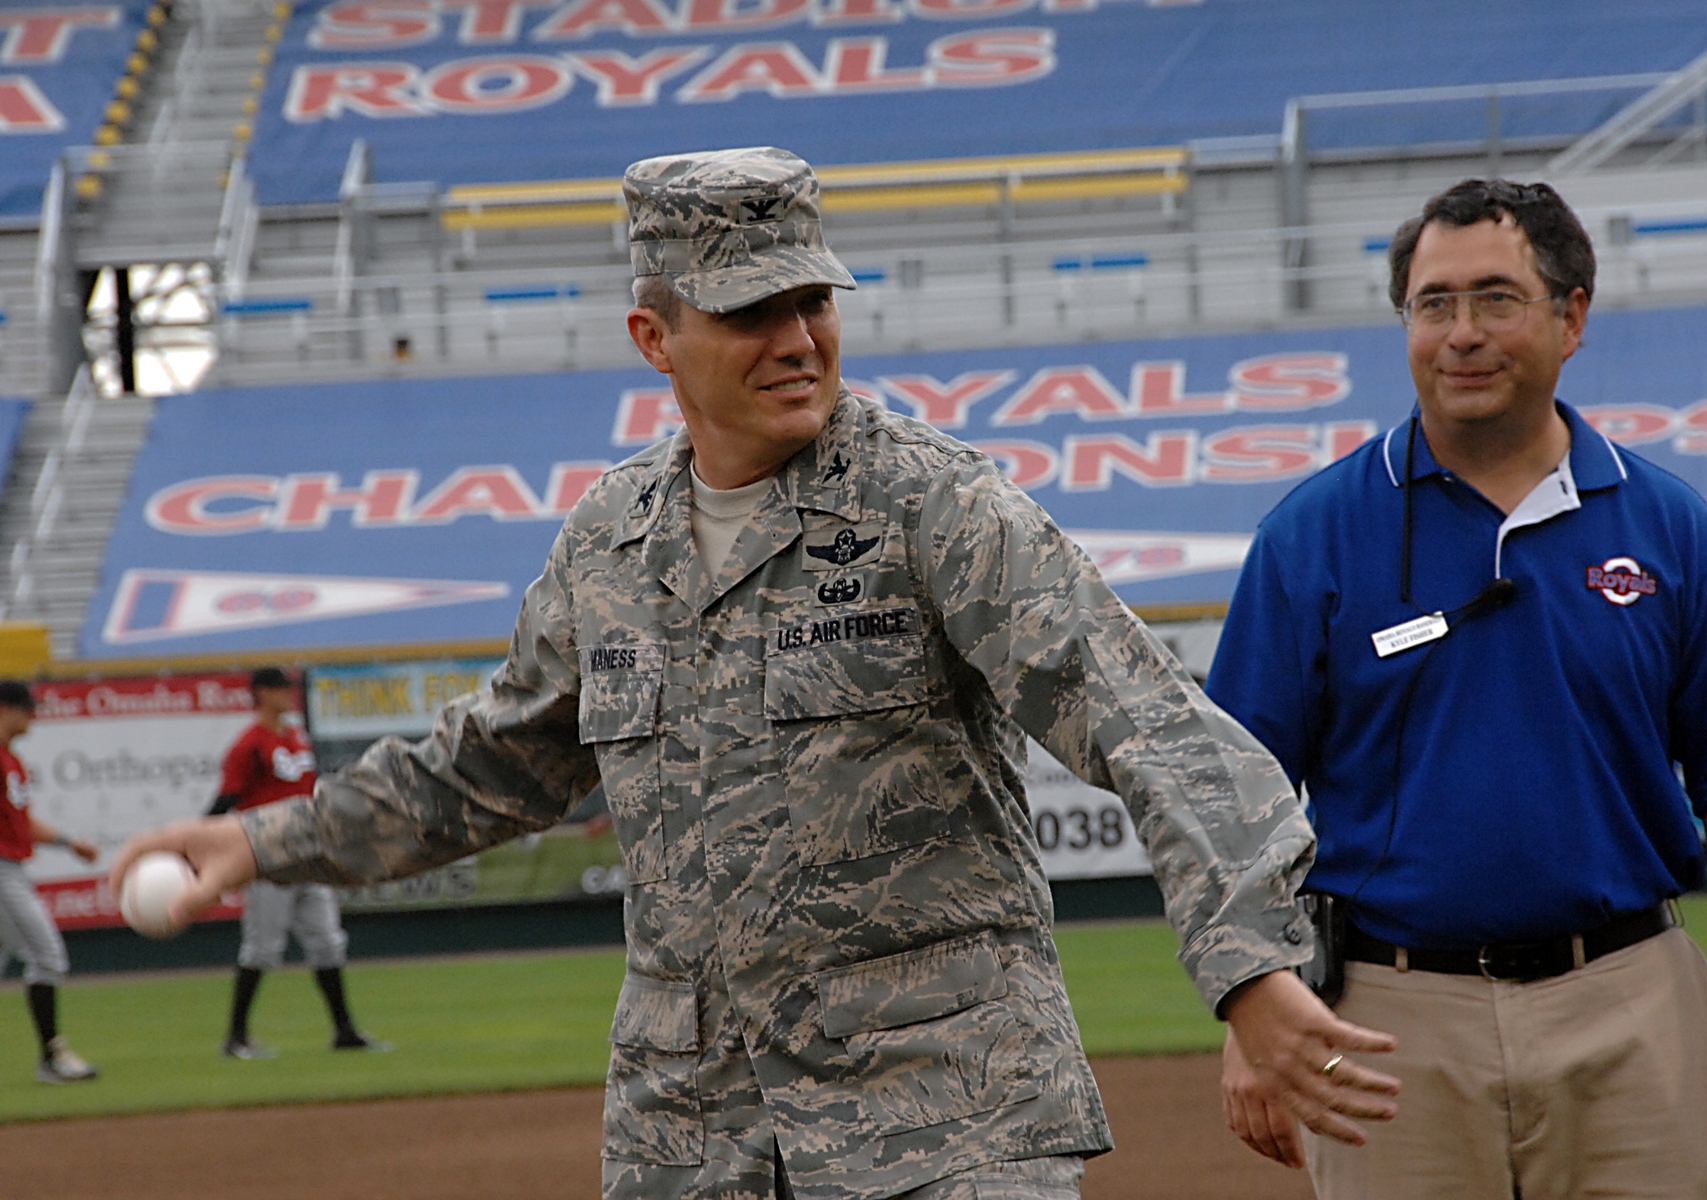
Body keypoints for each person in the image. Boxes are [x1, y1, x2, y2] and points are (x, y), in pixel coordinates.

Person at [112, 146, 1398, 1200]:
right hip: (696, 1137)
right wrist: (263, 843)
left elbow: (1155, 728)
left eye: (813, 302)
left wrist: (1251, 968)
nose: (795, 339)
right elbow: (490, 769)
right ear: (653, 336)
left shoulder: (932, 508)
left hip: (942, 1121)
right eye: (748, 312)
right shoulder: (607, 545)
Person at [1206, 177, 1707, 1198]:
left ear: (1571, 316)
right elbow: (1234, 800)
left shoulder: (1669, 528)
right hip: (1389, 1019)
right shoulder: (1309, 535)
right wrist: (1248, 999)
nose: (1461, 334)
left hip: (1631, 998)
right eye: (1433, 304)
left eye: (1495, 298)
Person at [206, 667, 382, 1058]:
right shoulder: (249, 744)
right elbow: (226, 801)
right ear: (260, 694)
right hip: (268, 854)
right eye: (278, 688)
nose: (287, 694)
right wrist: (203, 845)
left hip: (311, 851)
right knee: (262, 948)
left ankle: (344, 1031)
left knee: (328, 942)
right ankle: (236, 1037)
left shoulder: (296, 735)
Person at [0, 680, 101, 1083]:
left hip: (12, 866)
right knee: (47, 956)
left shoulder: (11, 760)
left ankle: (51, 1057)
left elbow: (22, 823)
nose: (34, 717)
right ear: (7, 708)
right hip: (2, 870)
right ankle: (52, 1057)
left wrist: (67, 841)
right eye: (28, 710)